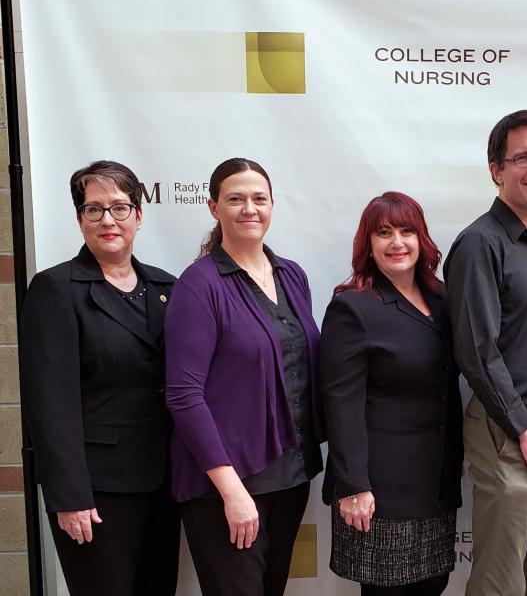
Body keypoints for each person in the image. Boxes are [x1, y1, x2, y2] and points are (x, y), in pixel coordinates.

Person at [164, 158, 324, 596]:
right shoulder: (199, 284)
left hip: (291, 475)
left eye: (259, 198)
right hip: (226, 485)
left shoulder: (292, 275)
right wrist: (232, 491)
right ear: (214, 207)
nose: (249, 208)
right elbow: (183, 395)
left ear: (273, 205)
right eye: (235, 199)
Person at [20, 160, 180, 595]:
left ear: (139, 215)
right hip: (97, 491)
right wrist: (70, 496)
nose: (108, 220)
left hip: (164, 481)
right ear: (79, 219)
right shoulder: (56, 290)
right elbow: (50, 405)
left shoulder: (168, 288)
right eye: (94, 209)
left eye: (119, 207)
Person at [444, 110, 527, 596]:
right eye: (524, 157)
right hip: (513, 431)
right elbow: (477, 351)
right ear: (496, 170)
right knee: (499, 584)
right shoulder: (480, 242)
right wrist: (525, 429)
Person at [319, 192, 463, 596]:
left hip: (435, 481)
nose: (397, 242)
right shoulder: (353, 307)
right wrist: (352, 485)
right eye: (384, 232)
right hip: (380, 489)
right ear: (369, 244)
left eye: (406, 231)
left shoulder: (443, 300)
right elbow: (341, 403)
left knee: (434, 585)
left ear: (422, 239)